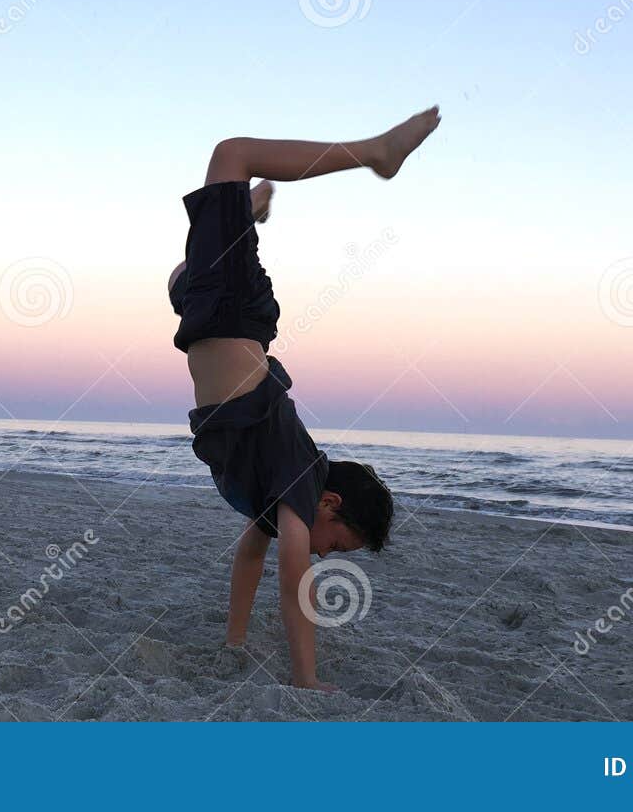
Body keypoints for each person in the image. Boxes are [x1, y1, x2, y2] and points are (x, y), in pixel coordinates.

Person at [167, 107, 441, 690]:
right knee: (232, 153)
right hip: (234, 317)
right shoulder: (299, 493)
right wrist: (307, 681)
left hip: (217, 320)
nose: (321, 555)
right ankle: (373, 152)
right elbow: (296, 587)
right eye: (335, 544)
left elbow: (248, 561)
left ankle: (247, 218)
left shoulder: (279, 505)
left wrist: (235, 642)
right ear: (331, 503)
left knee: (178, 281)